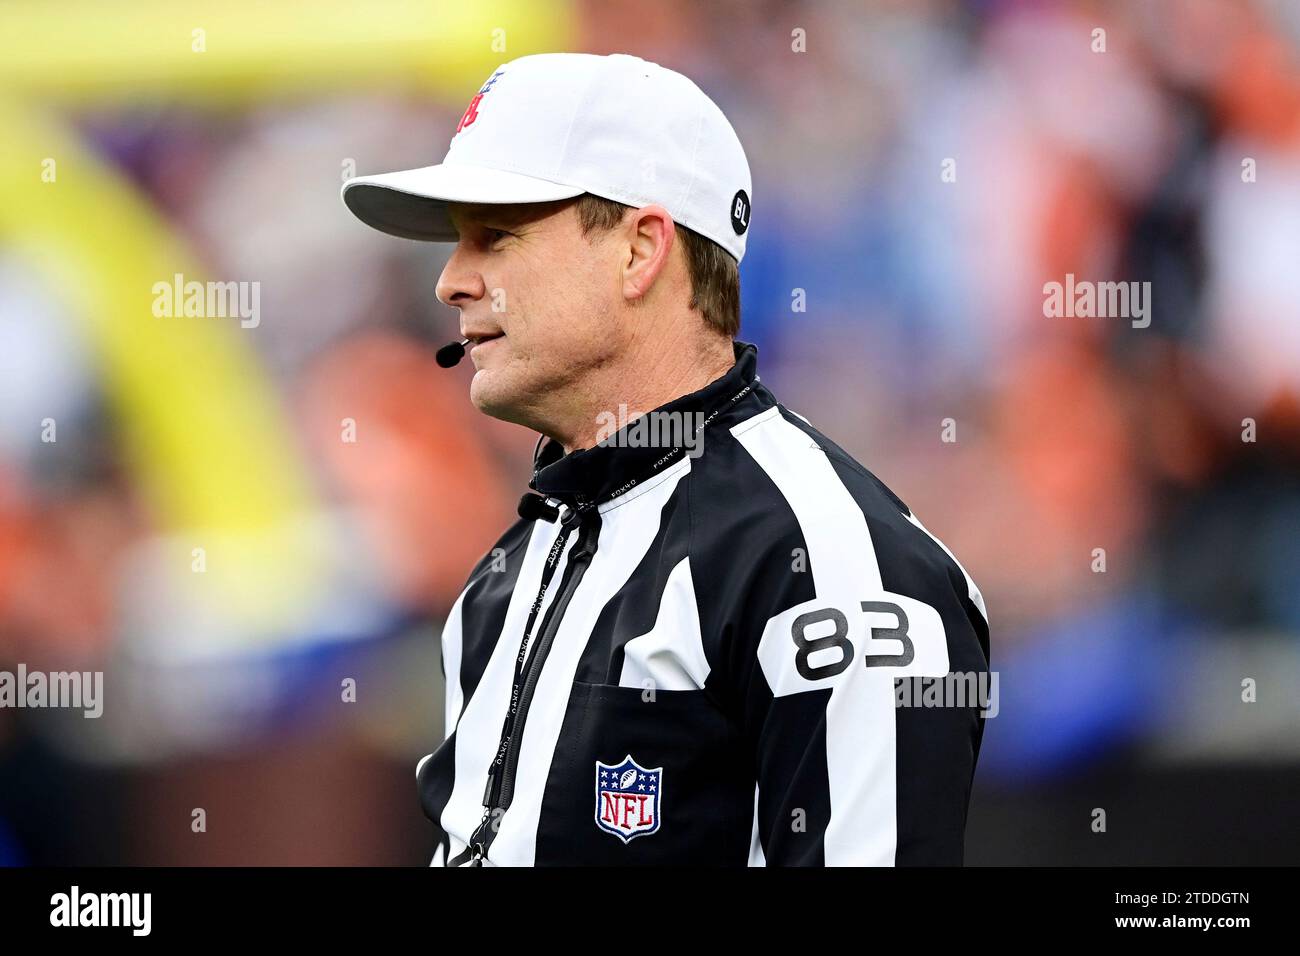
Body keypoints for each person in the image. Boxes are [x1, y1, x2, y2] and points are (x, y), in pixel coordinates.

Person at [341, 52, 990, 866]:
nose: (450, 281)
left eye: (495, 236)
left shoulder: (828, 563)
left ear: (640, 250)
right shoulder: (502, 581)